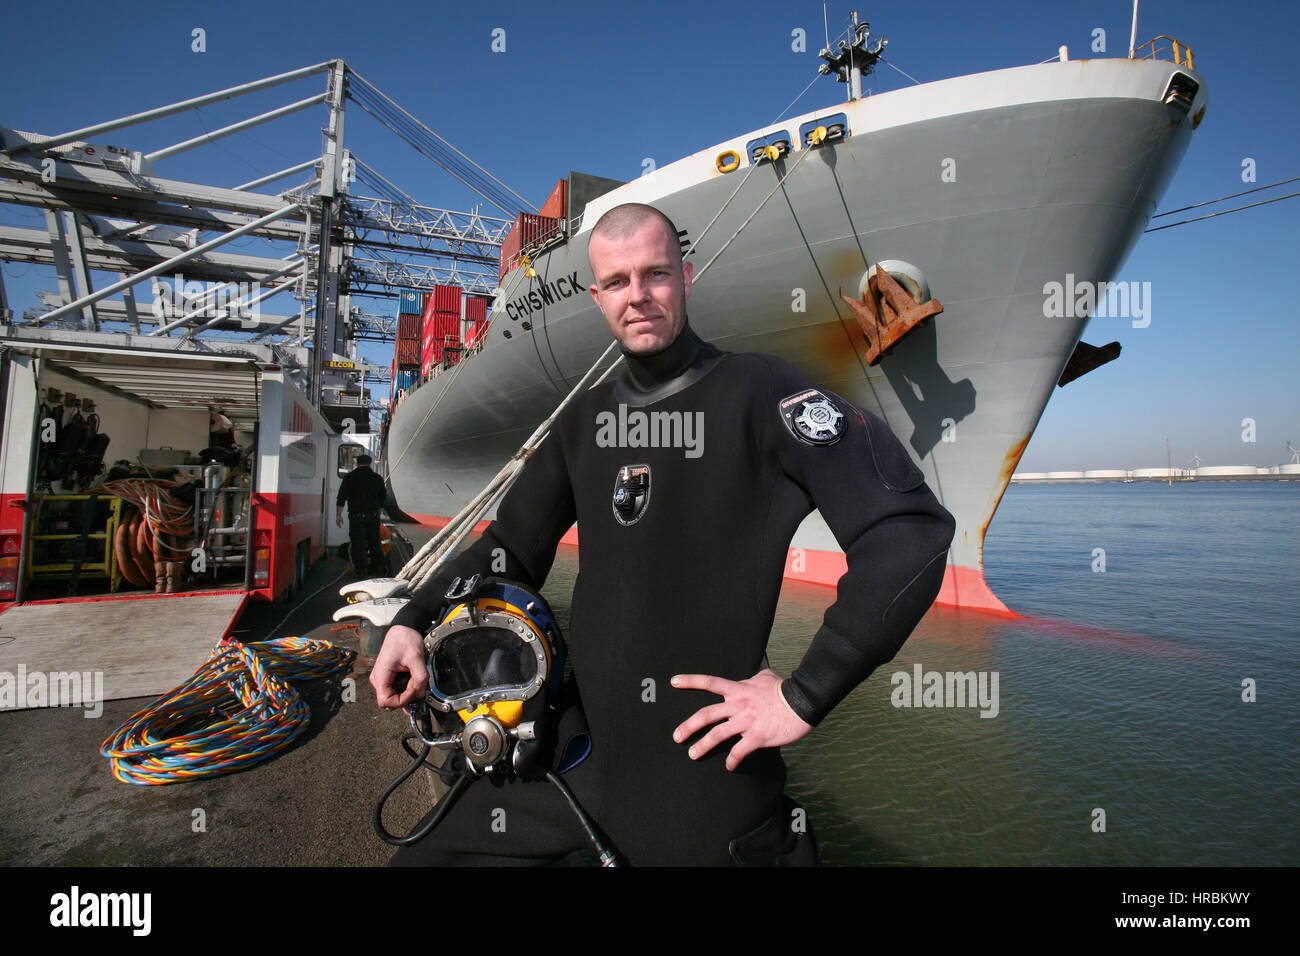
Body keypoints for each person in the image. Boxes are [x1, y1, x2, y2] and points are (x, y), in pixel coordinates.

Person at [371, 203, 956, 865]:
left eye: (655, 274)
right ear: (596, 297)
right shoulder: (583, 420)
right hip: (579, 765)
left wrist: (803, 695)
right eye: (617, 282)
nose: (638, 296)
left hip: (704, 780)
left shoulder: (759, 392)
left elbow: (909, 534)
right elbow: (509, 549)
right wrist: (411, 620)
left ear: (688, 276)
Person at [336, 454, 387, 576]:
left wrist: (338, 515)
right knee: (375, 543)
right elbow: (383, 498)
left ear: (357, 463)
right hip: (373, 516)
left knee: (358, 544)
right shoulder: (377, 478)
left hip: (357, 517)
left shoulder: (349, 477)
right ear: (370, 463)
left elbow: (341, 497)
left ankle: (362, 571)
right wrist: (378, 512)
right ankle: (378, 570)